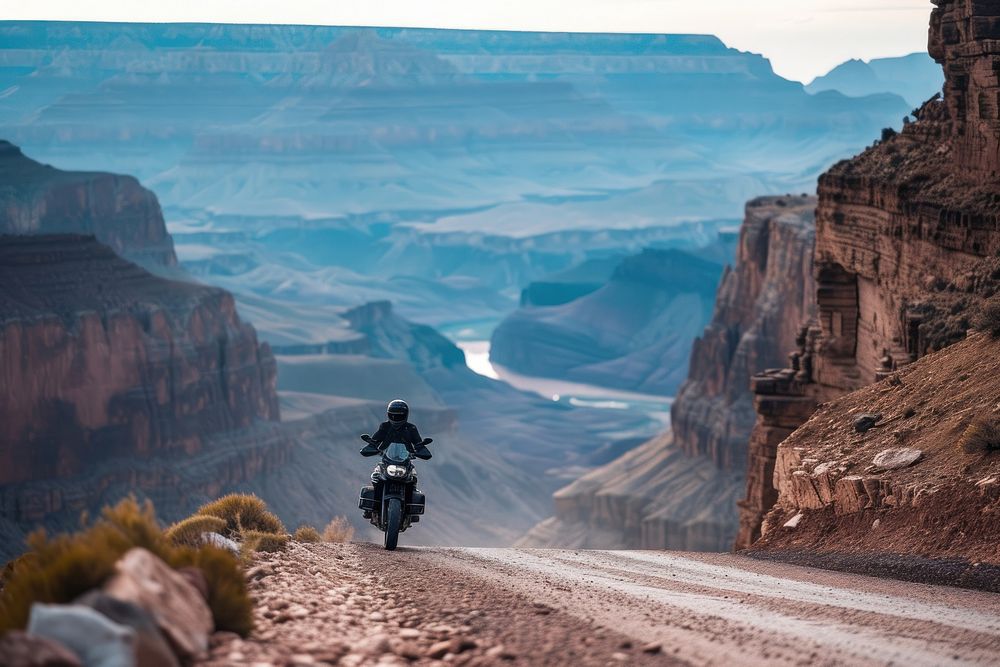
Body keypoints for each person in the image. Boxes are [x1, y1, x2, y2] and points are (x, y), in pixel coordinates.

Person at [360, 399, 431, 518]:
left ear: (405, 415)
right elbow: (376, 440)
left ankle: (410, 512)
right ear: (388, 414)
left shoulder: (411, 428)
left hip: (405, 461)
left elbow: (418, 443)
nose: (395, 417)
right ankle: (370, 509)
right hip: (387, 460)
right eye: (392, 414)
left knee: (412, 479)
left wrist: (422, 450)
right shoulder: (385, 426)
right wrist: (371, 446)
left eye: (399, 415)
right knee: (376, 477)